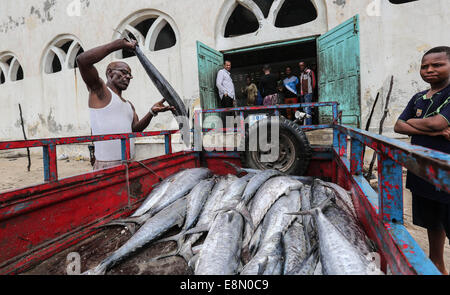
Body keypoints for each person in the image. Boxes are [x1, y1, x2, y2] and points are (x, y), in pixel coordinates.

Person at [76, 39, 175, 171]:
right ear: (110, 73)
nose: (128, 77)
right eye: (123, 72)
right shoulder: (100, 91)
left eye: (129, 75)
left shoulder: (129, 105)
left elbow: (134, 130)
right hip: (107, 166)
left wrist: (151, 112)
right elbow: (82, 61)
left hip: (129, 162)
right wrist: (119, 45)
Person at [394, 46, 450, 275]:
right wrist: (434, 132)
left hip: (446, 172)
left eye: (437, 65)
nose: (429, 70)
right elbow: (398, 125)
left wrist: (423, 127)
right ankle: (437, 264)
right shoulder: (418, 97)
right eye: (425, 66)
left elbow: (437, 121)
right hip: (422, 171)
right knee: (432, 221)